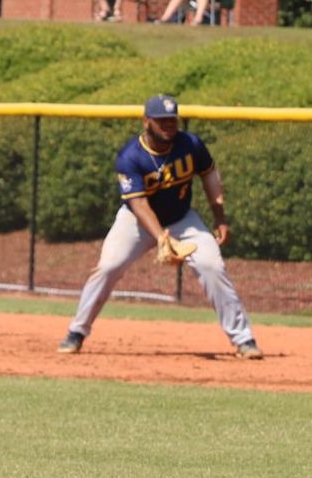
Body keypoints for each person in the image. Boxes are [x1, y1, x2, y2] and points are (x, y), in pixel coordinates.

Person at [57, 94, 263, 360]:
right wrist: (161, 238)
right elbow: (139, 205)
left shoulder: (190, 145)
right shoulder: (130, 157)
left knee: (212, 266)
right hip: (136, 222)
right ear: (146, 122)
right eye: (161, 120)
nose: (168, 125)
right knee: (108, 267)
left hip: (182, 219)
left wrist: (219, 216)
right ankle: (77, 332)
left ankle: (243, 339)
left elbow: (209, 174)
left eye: (171, 119)